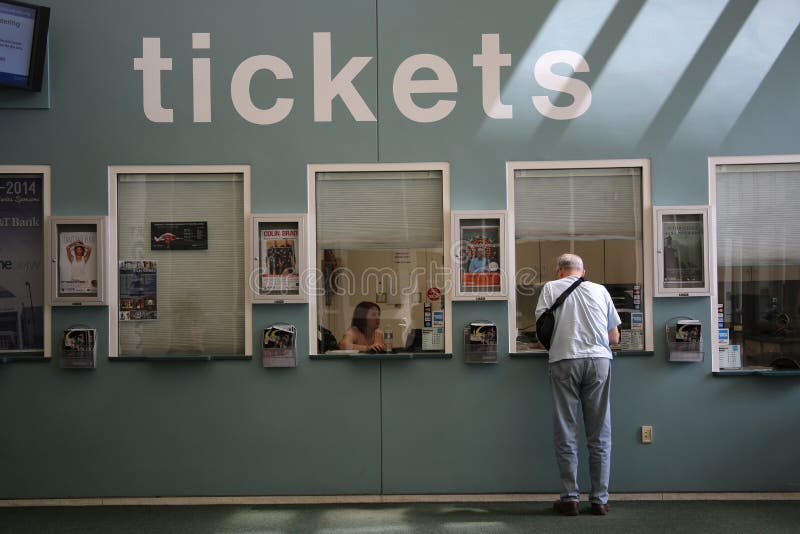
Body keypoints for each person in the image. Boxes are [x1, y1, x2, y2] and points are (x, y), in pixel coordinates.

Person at [535, 253, 621, 516]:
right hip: (598, 361)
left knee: (566, 430)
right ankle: (599, 500)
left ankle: (570, 498)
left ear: (559, 271)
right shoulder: (600, 290)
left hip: (564, 360)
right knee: (599, 432)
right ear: (583, 272)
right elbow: (614, 337)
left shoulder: (550, 288)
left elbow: (541, 337)